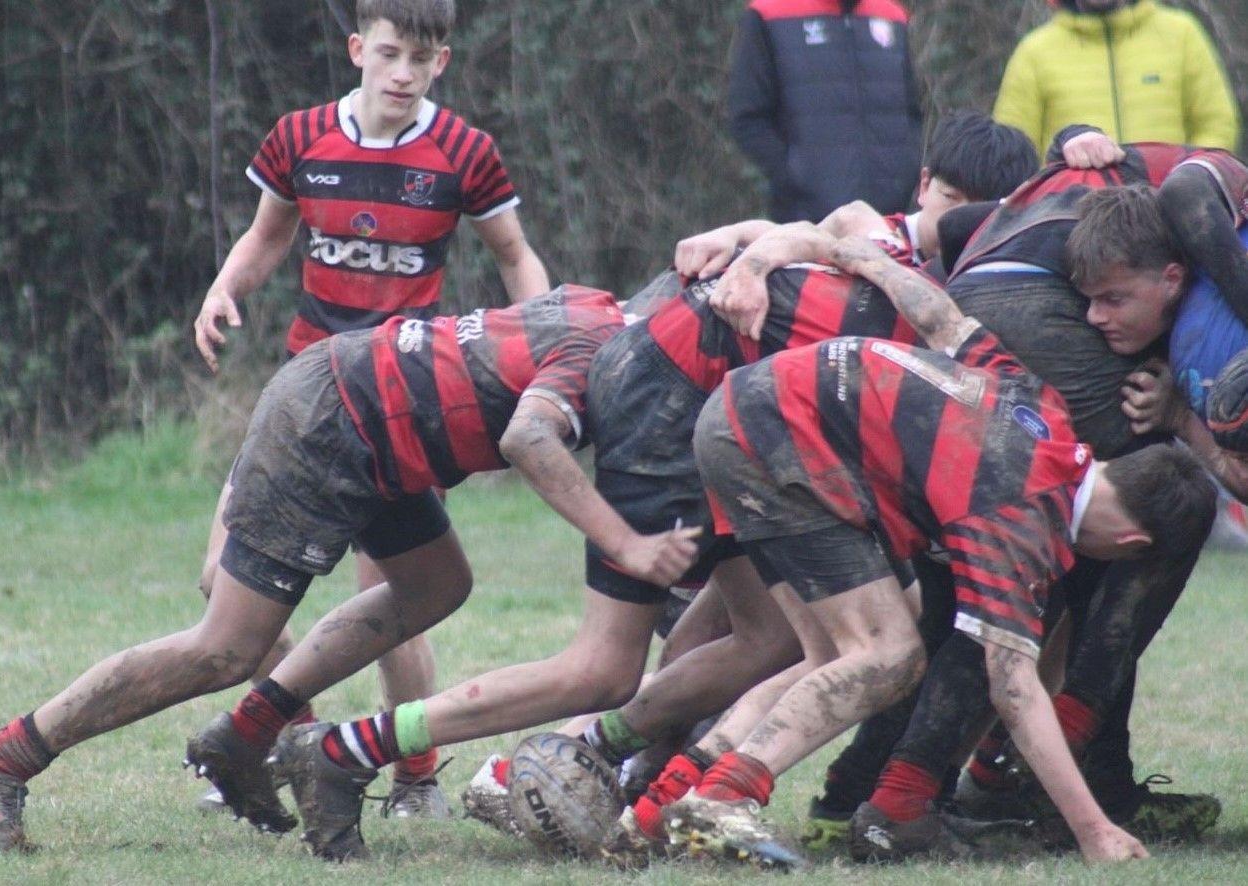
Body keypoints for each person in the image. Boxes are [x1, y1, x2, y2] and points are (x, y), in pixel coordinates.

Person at [181, 111, 1040, 858]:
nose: (965, 229)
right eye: (955, 206)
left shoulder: (916, 264)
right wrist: (769, 246)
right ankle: (363, 751)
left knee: (767, 637)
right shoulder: (886, 249)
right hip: (672, 410)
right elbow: (834, 236)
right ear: (927, 187)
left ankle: (636, 774)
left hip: (727, 419)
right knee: (607, 665)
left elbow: (823, 248)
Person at [0, 286, 701, 856]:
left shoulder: (607, 310)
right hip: (332, 419)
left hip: (373, 422)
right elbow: (528, 439)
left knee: (437, 584)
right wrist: (629, 548)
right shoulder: (609, 352)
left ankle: (251, 732)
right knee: (225, 646)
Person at [661, 233, 1215, 867]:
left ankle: (666, 799)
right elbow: (1015, 691)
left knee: (839, 652)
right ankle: (722, 799)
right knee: (888, 654)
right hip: (774, 435)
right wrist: (1095, 831)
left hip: (752, 405)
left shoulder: (1046, 412)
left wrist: (856, 255)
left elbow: (941, 318)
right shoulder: (1023, 520)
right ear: (1130, 544)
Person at [188, 0, 550, 816]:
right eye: (389, 54)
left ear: (442, 62)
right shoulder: (300, 137)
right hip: (304, 402)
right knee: (220, 580)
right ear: (357, 49)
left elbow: (516, 256)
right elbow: (268, 235)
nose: (403, 74)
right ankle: (286, 743)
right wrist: (224, 287)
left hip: (402, 406)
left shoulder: (466, 153)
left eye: (421, 60)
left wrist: (544, 350)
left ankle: (415, 778)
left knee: (392, 603)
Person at [727, 0, 923, 223]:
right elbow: (748, 117)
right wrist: (793, 176)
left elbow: (911, 112)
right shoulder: (769, 13)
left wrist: (906, 173)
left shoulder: (891, 15)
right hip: (806, 223)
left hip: (889, 218)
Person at [993, 0, 1240, 159]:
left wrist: (1189, 181)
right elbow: (1011, 153)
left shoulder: (1181, 34)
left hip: (1170, 218)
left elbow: (1216, 125)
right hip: (1071, 226)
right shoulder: (1034, 52)